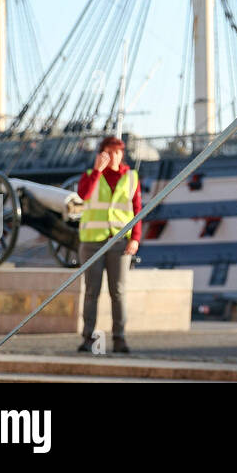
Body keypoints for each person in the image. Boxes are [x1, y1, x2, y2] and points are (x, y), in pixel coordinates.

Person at [74, 136, 141, 354]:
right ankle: (88, 338)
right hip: (92, 242)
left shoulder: (131, 177)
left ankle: (119, 338)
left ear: (123, 154)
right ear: (101, 154)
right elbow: (83, 195)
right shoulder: (89, 176)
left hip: (119, 242)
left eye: (118, 152)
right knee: (92, 291)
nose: (114, 156)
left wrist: (135, 238)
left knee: (118, 292)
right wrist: (97, 171)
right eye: (109, 152)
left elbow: (137, 209)